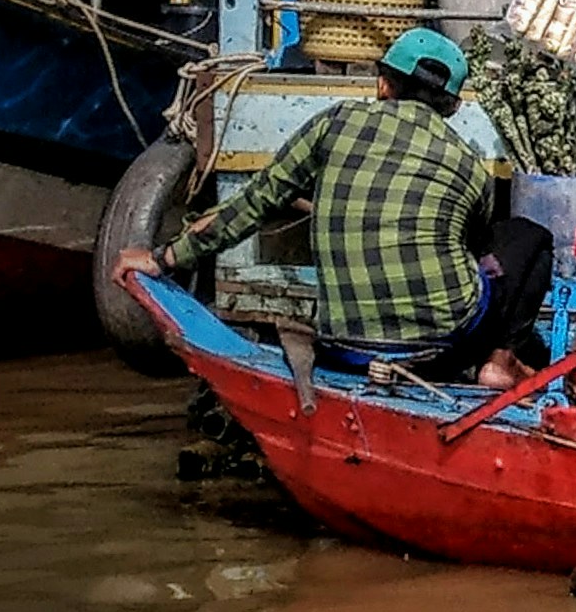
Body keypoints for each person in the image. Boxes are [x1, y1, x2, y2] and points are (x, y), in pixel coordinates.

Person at [110, 26, 549, 386]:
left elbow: (258, 201)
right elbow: (476, 250)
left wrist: (163, 257)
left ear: (382, 83)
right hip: (442, 345)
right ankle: (500, 361)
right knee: (528, 238)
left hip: (345, 344)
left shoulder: (334, 123)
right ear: (452, 106)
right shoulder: (468, 163)